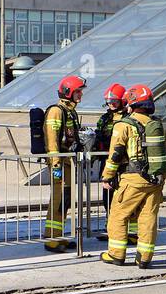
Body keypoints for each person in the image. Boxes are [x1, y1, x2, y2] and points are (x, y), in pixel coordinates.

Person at [99, 85, 166, 269]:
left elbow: (115, 154)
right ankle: (144, 258)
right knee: (148, 218)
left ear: (131, 104)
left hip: (132, 179)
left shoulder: (123, 125)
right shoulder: (157, 125)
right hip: (155, 179)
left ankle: (116, 254)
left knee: (118, 215)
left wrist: (107, 177)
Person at [43, 75, 85, 252]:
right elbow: (52, 141)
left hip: (68, 163)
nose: (80, 96)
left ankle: (58, 236)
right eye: (77, 92)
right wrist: (55, 165)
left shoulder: (70, 111)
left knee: (65, 200)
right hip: (59, 165)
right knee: (58, 198)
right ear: (68, 92)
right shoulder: (56, 111)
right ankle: (51, 239)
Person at [93, 83, 135, 243]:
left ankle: (129, 231)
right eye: (109, 101)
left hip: (125, 163)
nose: (111, 105)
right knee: (107, 195)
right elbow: (98, 135)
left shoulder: (128, 118)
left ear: (122, 102)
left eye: (114, 102)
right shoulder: (104, 119)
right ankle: (110, 226)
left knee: (125, 196)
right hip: (107, 162)